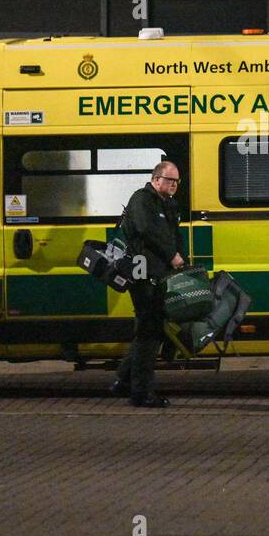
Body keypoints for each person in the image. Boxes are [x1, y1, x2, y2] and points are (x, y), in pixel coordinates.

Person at [110, 160, 186, 408]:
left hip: (159, 274)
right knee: (149, 332)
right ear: (156, 179)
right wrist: (172, 255)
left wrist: (182, 260)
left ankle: (123, 381)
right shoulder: (142, 200)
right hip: (143, 276)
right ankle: (141, 393)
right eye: (169, 180)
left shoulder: (167, 203)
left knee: (149, 329)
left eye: (176, 181)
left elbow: (173, 235)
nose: (174, 185)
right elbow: (146, 230)